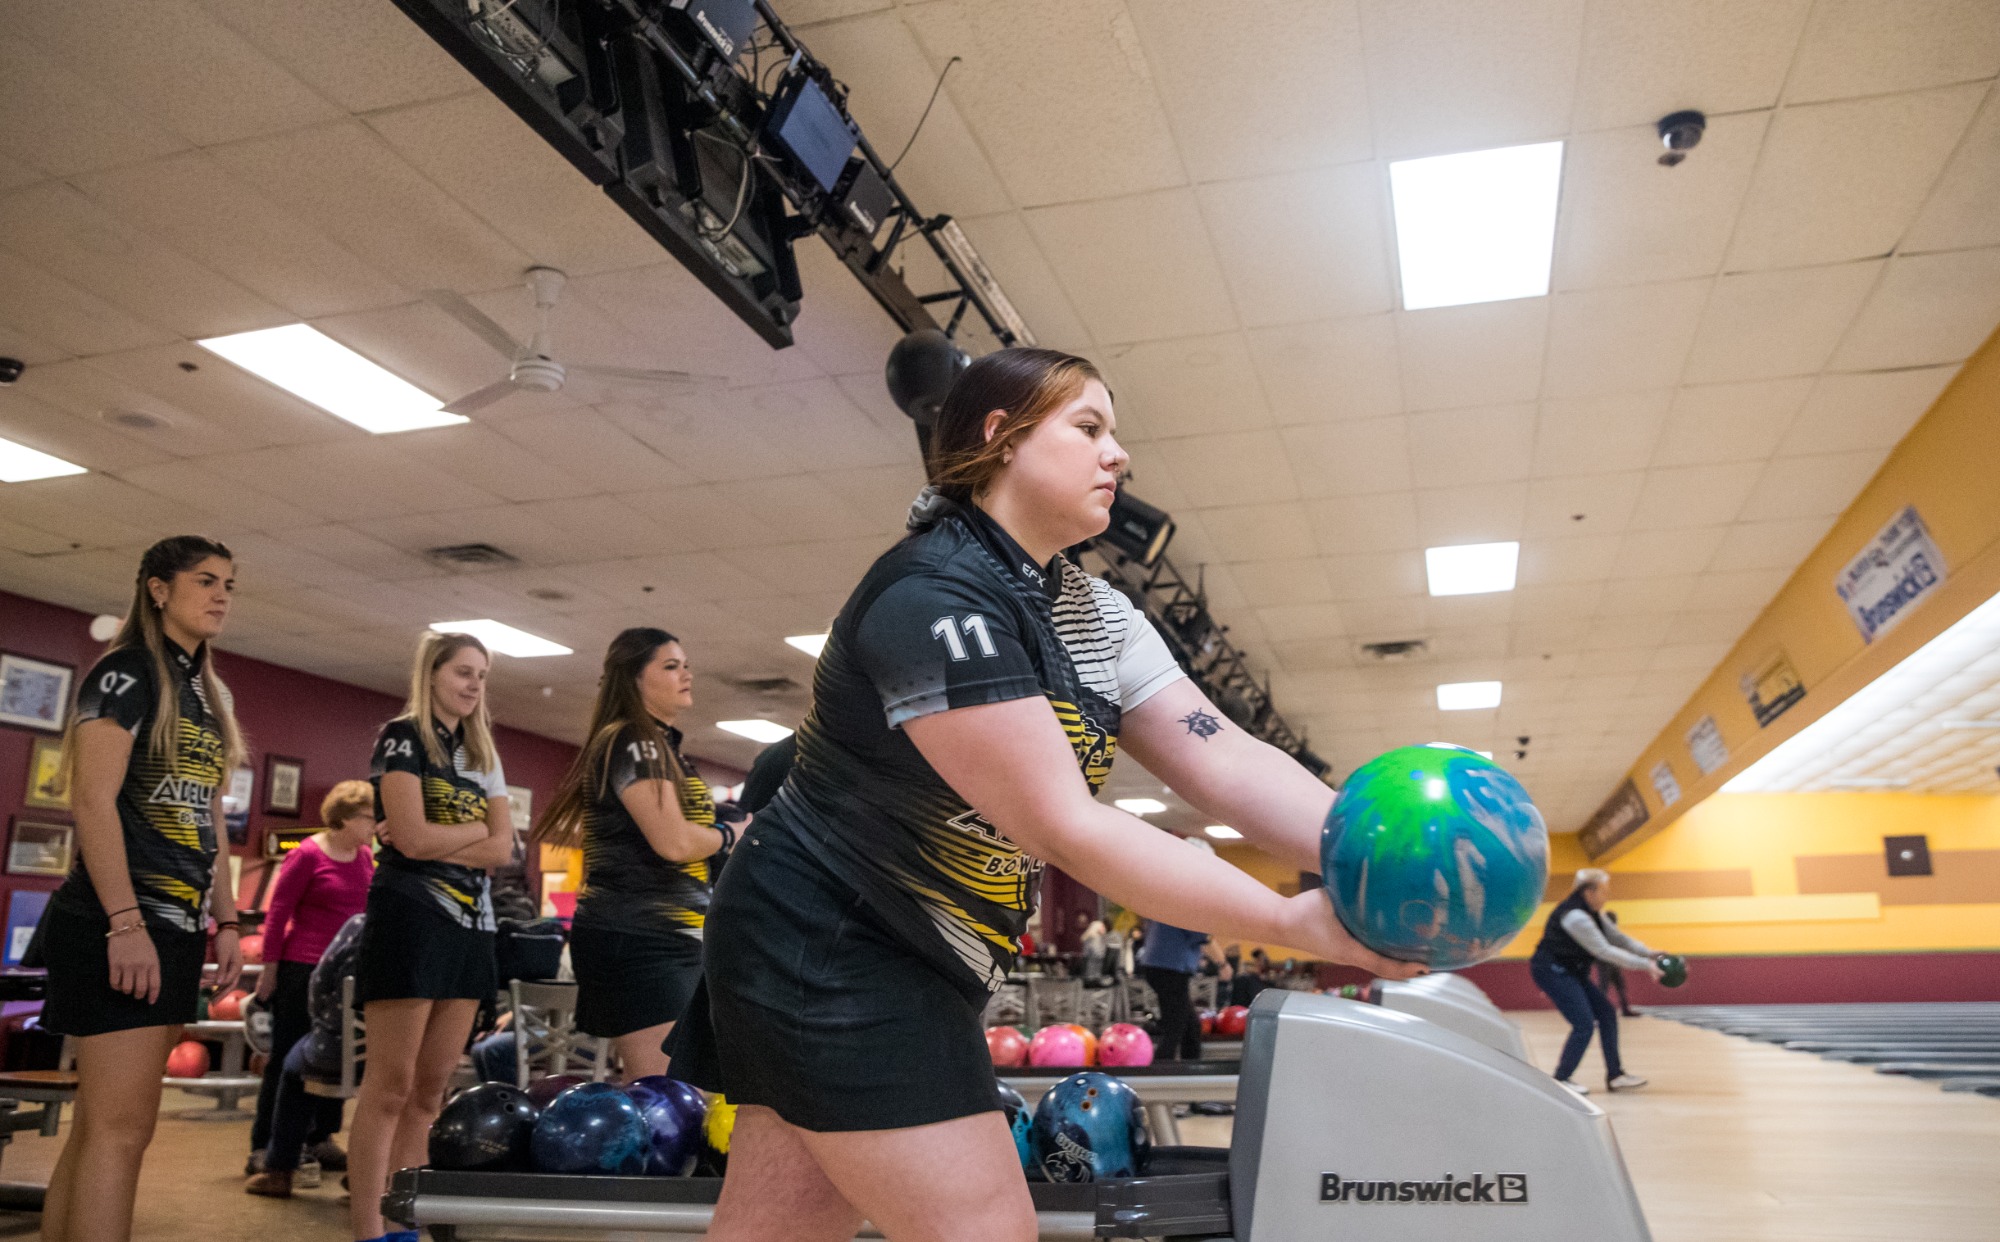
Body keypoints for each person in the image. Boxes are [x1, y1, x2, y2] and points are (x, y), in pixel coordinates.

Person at [665, 347, 1420, 1242]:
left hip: (891, 950)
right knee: (986, 1228)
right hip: (831, 942)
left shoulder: (1093, 613)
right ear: (1001, 438)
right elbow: (1068, 827)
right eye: (1090, 428)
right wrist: (1292, 925)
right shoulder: (933, 596)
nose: (1119, 456)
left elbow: (1227, 759)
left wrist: (1366, 845)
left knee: (781, 1227)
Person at [33, 535, 247, 1242]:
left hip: (175, 925)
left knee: (107, 1131)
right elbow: (91, 801)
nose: (221, 595)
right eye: (205, 580)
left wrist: (226, 920)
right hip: (116, 921)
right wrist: (126, 923)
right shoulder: (127, 671)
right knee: (120, 1135)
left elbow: (207, 812)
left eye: (228, 584)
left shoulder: (202, 691)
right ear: (158, 589)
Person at [348, 632, 514, 1242]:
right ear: (433, 674)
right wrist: (471, 829)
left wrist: (449, 833)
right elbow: (411, 841)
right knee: (388, 1088)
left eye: (481, 676)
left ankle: (403, 1227)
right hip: (410, 921)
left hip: (471, 929)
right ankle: (368, 1229)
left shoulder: (484, 753)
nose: (473, 685)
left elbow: (503, 849)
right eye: (463, 672)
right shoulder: (403, 735)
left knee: (429, 1090)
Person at [533, 627, 733, 1081]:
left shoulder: (662, 747)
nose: (687, 674)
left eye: (686, 665)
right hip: (638, 936)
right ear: (634, 678)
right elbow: (675, 843)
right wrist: (728, 834)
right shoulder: (630, 740)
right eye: (670, 666)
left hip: (674, 936)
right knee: (668, 1093)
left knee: (675, 1093)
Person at [245, 780, 376, 1184]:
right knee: (289, 1056)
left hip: (345, 972)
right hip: (302, 966)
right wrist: (270, 969)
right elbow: (279, 911)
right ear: (346, 818)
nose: (374, 824)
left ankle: (319, 1137)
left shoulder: (366, 856)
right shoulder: (307, 854)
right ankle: (265, 1146)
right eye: (370, 817)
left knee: (338, 1055)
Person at [242, 913, 366, 1198]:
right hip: (400, 1055)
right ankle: (366, 1172)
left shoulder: (358, 927)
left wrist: (323, 1025)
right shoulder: (428, 934)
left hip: (337, 1048)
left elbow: (319, 984)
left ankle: (280, 1169)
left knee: (293, 1068)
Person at [1531, 869, 1662, 1095]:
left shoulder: (1593, 913)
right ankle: (1561, 1079)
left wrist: (1649, 953)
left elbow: (1618, 938)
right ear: (1589, 892)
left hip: (1571, 971)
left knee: (1607, 1014)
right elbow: (1603, 950)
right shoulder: (1576, 917)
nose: (1606, 896)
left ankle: (1616, 1075)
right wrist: (1645, 966)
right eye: (1604, 891)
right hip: (1552, 971)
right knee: (1583, 1023)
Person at [1138, 891, 1234, 1062]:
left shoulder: (1172, 900)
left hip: (1158, 967)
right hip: (1169, 969)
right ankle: (1161, 1070)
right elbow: (1206, 940)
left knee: (1190, 1026)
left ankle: (1190, 1068)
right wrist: (1223, 964)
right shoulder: (1188, 904)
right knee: (1176, 1026)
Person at [1597, 910, 1638, 1018]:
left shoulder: (1607, 932)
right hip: (1606, 963)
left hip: (1610, 963)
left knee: (1614, 987)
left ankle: (1624, 1010)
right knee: (1607, 988)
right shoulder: (1605, 932)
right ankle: (1601, 1012)